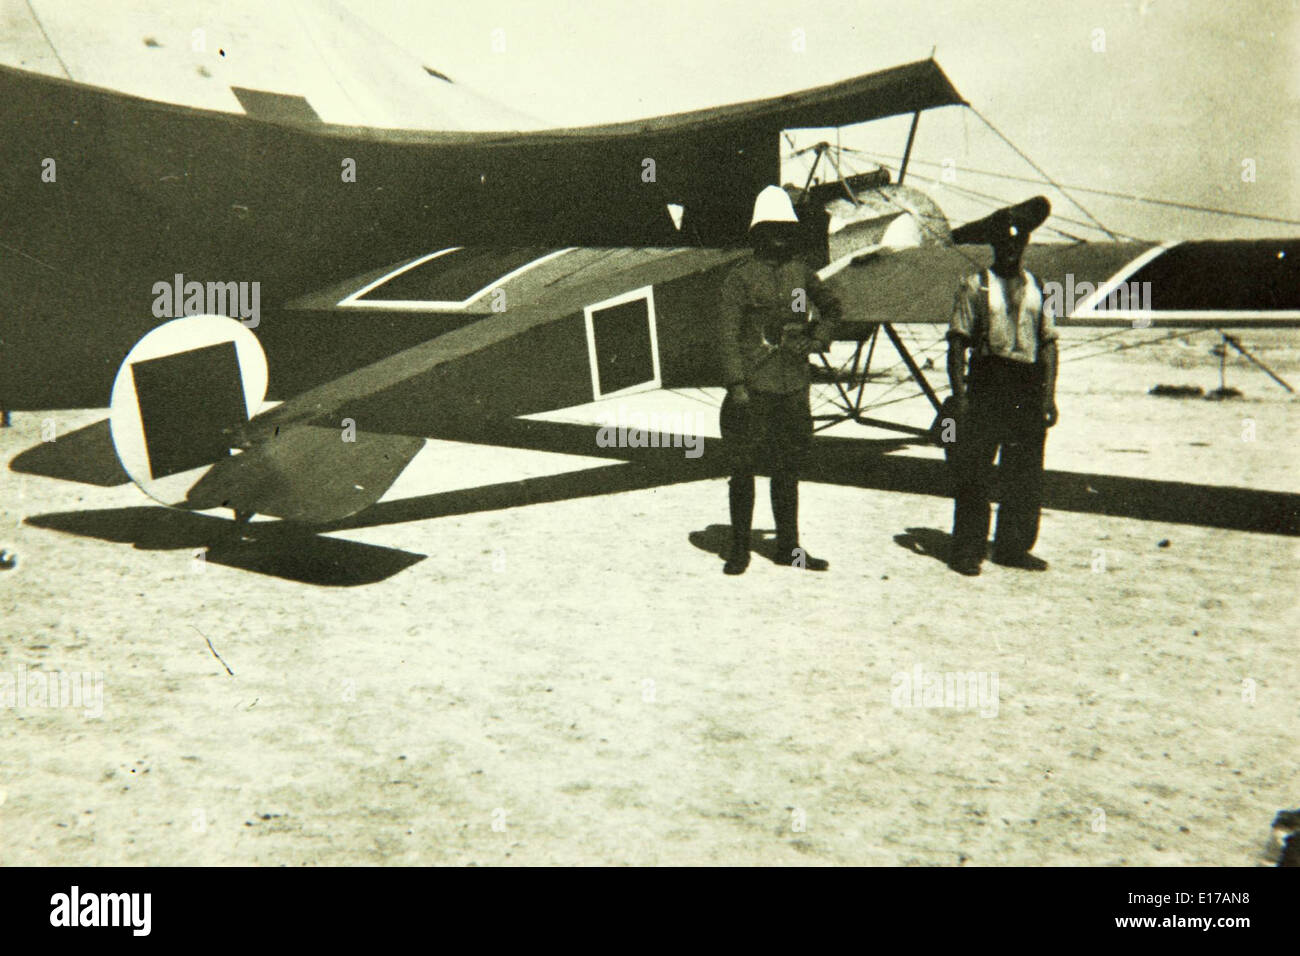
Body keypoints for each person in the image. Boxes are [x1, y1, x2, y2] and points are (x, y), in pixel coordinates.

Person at [717, 185, 842, 575]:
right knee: (743, 469)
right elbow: (726, 334)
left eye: (785, 228)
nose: (779, 236)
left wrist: (818, 339)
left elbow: (832, 307)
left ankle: (789, 547)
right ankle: (739, 549)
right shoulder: (738, 279)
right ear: (758, 232)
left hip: (793, 388)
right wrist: (736, 385)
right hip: (753, 389)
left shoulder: (801, 273)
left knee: (788, 470)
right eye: (772, 228)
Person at [945, 196, 1059, 576]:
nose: (1010, 250)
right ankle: (968, 549)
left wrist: (1048, 397)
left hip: (1026, 385)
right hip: (987, 383)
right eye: (1004, 244)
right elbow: (957, 342)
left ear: (1024, 245)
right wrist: (960, 396)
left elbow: (1048, 344)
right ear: (995, 246)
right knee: (974, 470)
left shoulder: (1039, 287)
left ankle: (1014, 547)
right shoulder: (975, 286)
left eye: (1017, 244)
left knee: (1025, 472)